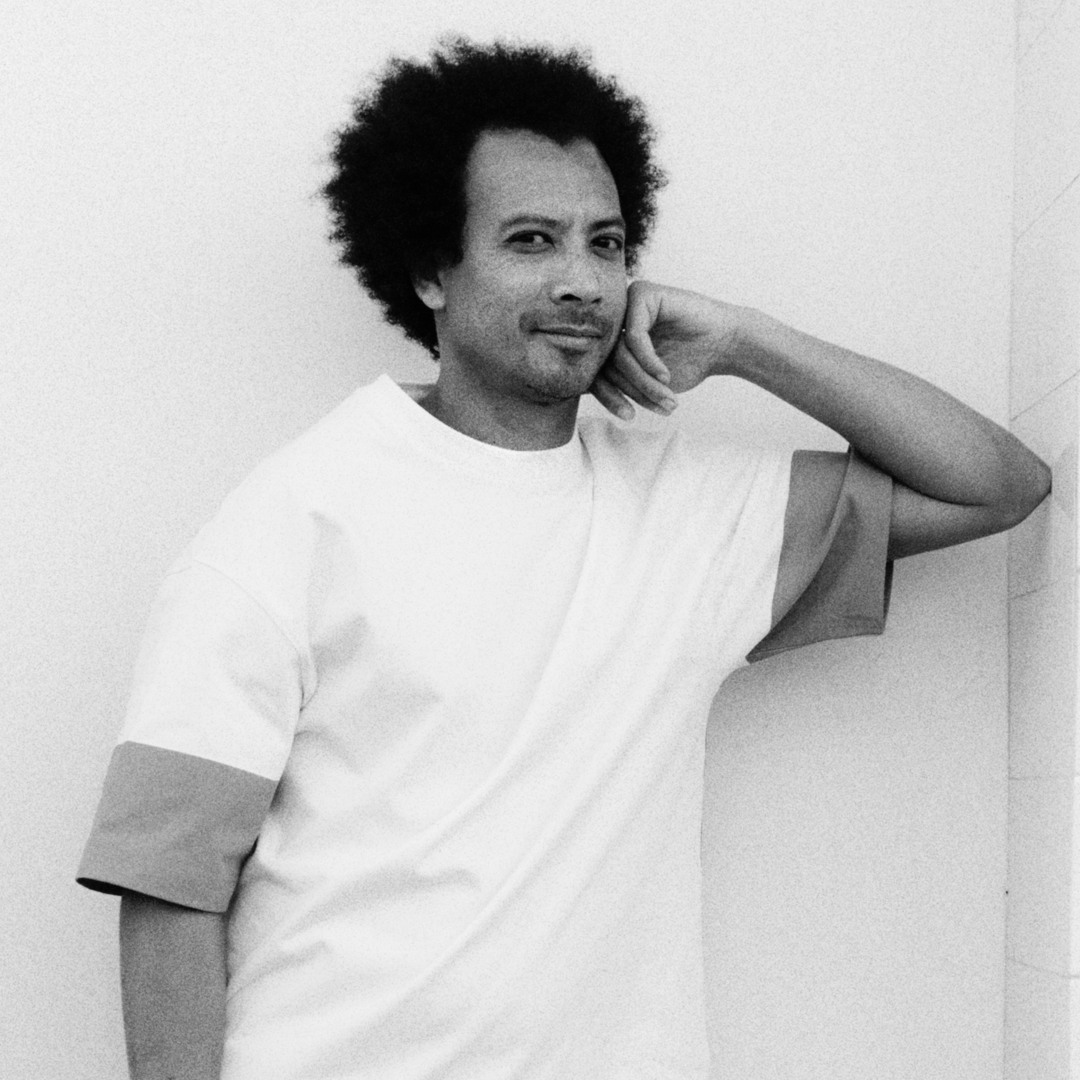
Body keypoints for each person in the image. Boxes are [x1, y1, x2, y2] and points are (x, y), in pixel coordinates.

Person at [77, 38, 1050, 1080]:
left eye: (607, 243)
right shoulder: (292, 520)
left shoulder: (685, 515)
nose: (583, 282)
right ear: (430, 270)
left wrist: (744, 341)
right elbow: (169, 880)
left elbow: (995, 483)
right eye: (532, 241)